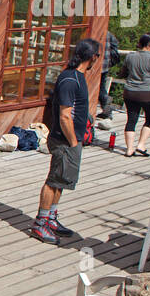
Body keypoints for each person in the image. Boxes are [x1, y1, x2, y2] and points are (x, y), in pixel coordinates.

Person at [31, 37, 101, 244]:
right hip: (64, 141)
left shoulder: (77, 76)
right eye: (98, 56)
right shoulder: (70, 80)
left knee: (62, 181)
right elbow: (64, 116)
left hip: (72, 139)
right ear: (92, 57)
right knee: (54, 181)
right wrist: (72, 141)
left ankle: (51, 218)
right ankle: (40, 223)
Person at [120, 33, 150, 157]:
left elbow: (122, 73)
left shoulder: (130, 57)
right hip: (148, 94)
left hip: (130, 92)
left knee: (131, 119)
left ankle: (129, 149)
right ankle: (141, 145)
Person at [97, 30, 120, 119]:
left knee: (99, 89)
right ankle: (106, 109)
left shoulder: (97, 31)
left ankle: (107, 109)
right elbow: (115, 45)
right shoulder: (108, 33)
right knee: (101, 88)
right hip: (105, 65)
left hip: (96, 65)